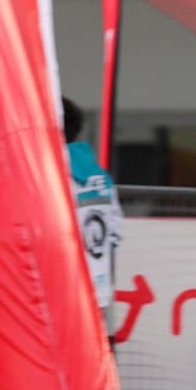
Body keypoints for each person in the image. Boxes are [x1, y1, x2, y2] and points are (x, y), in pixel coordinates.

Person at [62, 98, 122, 337]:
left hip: (62, 288)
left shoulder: (49, 170)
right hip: (97, 287)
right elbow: (116, 230)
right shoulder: (98, 174)